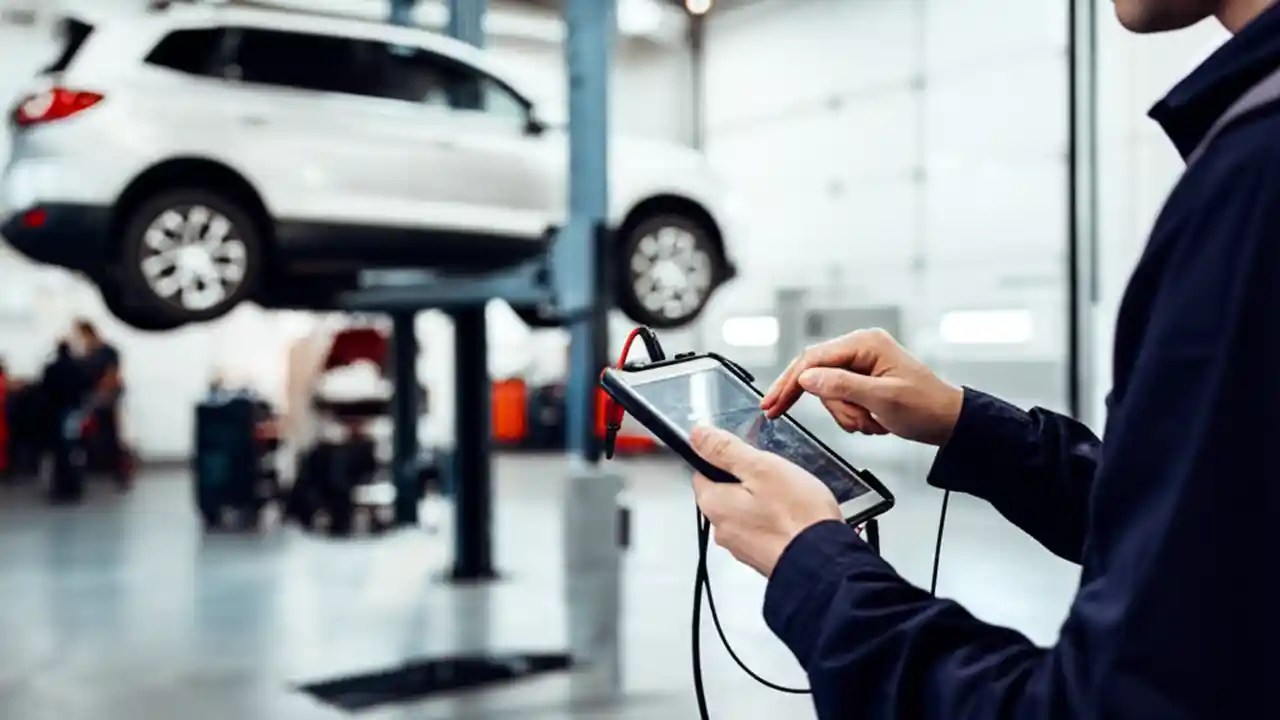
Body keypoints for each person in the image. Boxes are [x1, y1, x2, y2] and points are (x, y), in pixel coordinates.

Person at [690, 1, 1280, 718]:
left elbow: (1116, 705)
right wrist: (966, 423)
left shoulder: (1254, 182)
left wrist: (812, 565)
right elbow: (1213, 540)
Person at [72, 319, 130, 489]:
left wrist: (103, 393)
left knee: (111, 432)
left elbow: (112, 373)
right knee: (96, 431)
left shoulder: (105, 351)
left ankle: (120, 471)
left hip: (106, 394)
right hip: (97, 395)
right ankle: (103, 466)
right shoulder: (89, 353)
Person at [41, 342, 92, 502]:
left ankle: (60, 488)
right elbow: (86, 386)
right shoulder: (78, 367)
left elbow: (44, 390)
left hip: (55, 414)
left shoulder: (51, 369)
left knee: (59, 452)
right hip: (73, 412)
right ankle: (75, 486)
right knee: (73, 450)